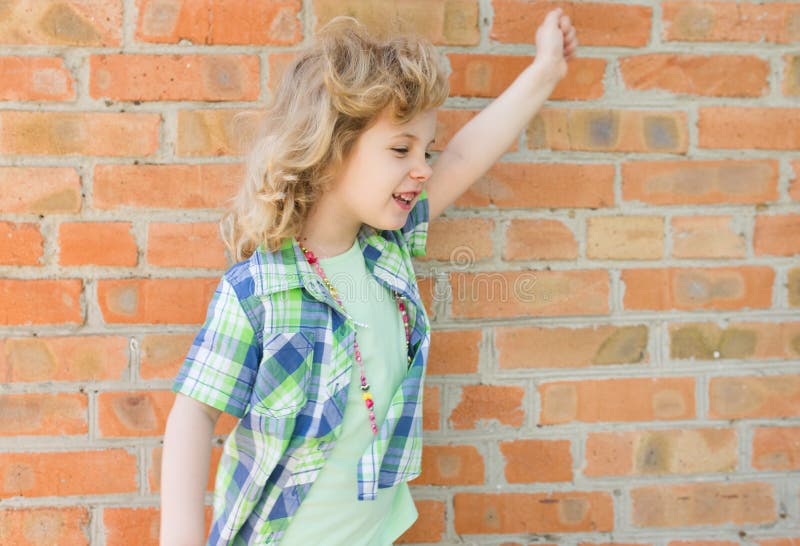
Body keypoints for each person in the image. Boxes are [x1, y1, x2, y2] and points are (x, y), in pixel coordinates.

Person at [160, 9, 578, 546]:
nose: (423, 166)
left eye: (424, 149)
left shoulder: (387, 252)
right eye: (401, 149)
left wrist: (545, 70)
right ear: (329, 152)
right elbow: (193, 415)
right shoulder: (259, 290)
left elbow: (467, 155)